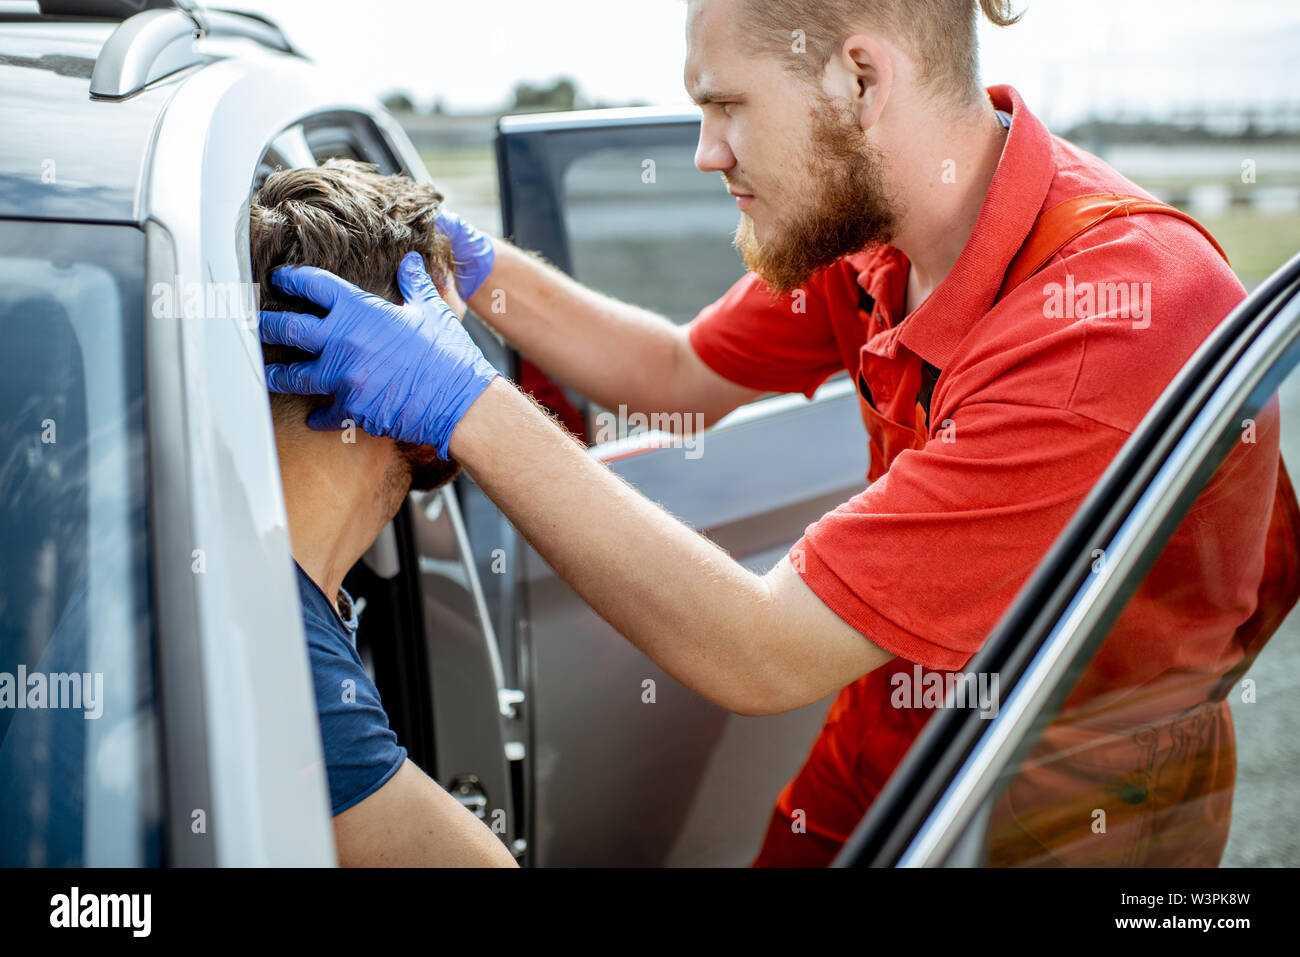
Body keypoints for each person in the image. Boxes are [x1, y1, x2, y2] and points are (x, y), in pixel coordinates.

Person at [258, 0, 1299, 866]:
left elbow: (760, 651)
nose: (706, 152)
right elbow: (673, 372)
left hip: (1066, 800)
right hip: (892, 729)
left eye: (724, 106)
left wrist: (462, 407)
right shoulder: (870, 232)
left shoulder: (1111, 321)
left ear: (860, 80)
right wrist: (471, 264)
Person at [251, 159, 516, 867]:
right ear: (370, 364)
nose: (472, 374)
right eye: (451, 343)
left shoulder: (250, 574)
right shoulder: (273, 646)